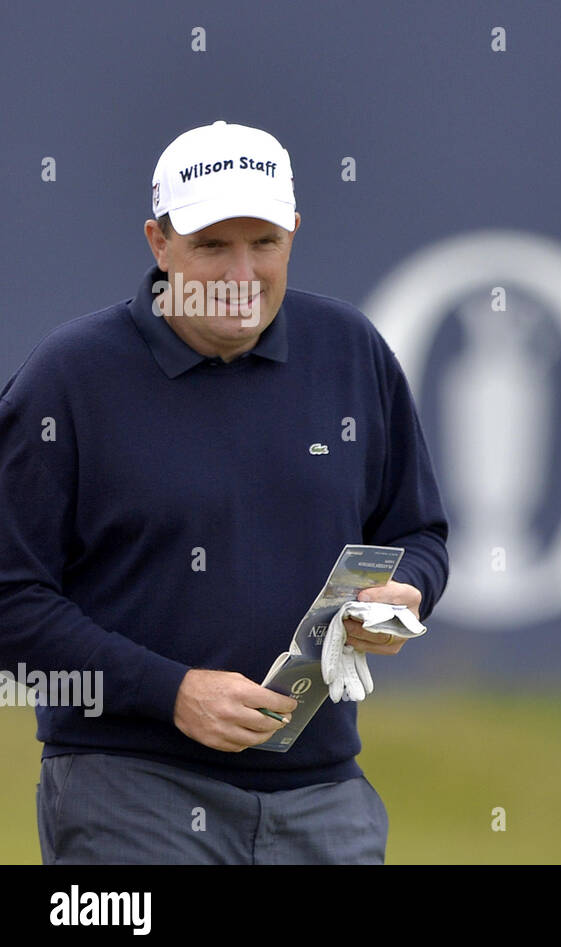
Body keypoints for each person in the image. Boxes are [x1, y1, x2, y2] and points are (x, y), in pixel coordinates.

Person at [0, 120, 450, 864]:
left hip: (325, 798)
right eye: (212, 245)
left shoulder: (351, 350)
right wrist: (169, 691)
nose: (241, 270)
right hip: (128, 795)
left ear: (294, 233)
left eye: (264, 242)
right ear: (158, 242)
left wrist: (406, 591)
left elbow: (419, 533)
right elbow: (10, 599)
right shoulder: (70, 379)